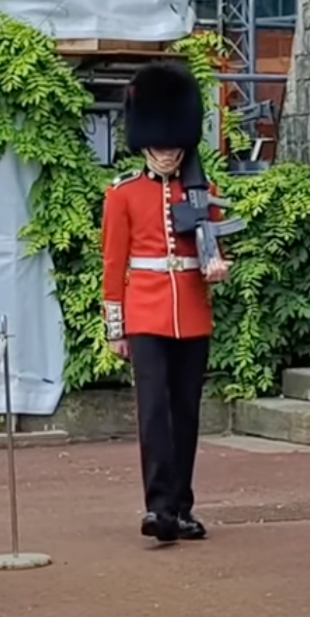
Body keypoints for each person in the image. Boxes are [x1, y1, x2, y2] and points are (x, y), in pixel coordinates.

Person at [101, 61, 231, 545]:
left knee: (186, 414)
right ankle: (158, 508)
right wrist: (116, 327)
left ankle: (182, 505)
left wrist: (218, 267)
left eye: (174, 147)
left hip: (192, 315)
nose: (166, 155)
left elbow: (214, 250)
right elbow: (114, 266)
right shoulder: (123, 196)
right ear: (144, 143)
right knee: (154, 411)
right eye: (158, 146)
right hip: (146, 314)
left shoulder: (203, 192)